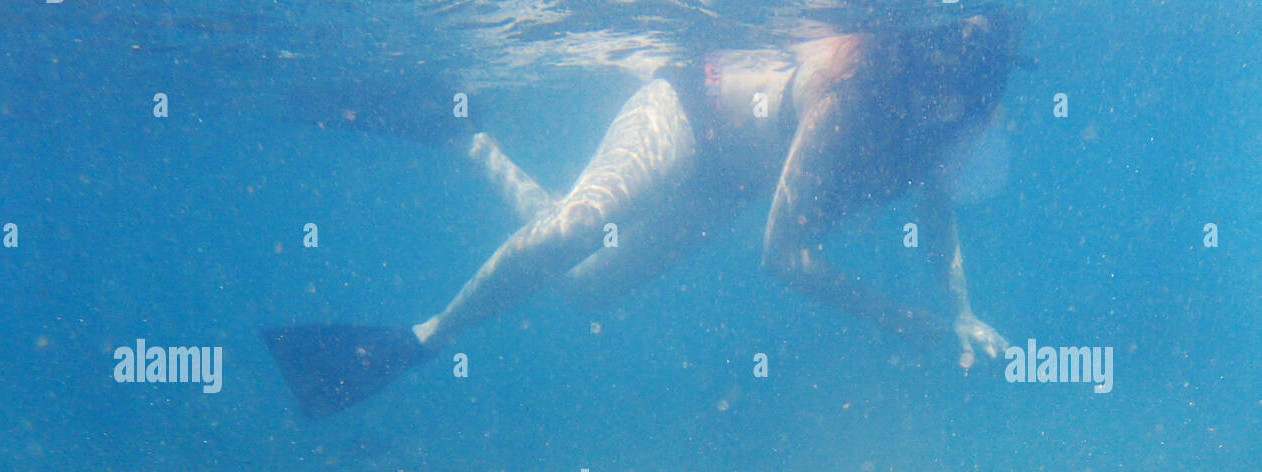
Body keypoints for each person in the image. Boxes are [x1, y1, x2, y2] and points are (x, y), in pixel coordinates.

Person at [266, 7, 1024, 414]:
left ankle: (465, 137)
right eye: (948, 59)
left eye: (976, 76)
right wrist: (901, 319)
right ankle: (424, 337)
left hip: (726, 179)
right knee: (576, 227)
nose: (955, 89)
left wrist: (961, 311)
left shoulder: (938, 118)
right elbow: (781, 256)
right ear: (915, 48)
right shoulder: (852, 91)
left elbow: (938, 213)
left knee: (583, 282)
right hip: (690, 109)